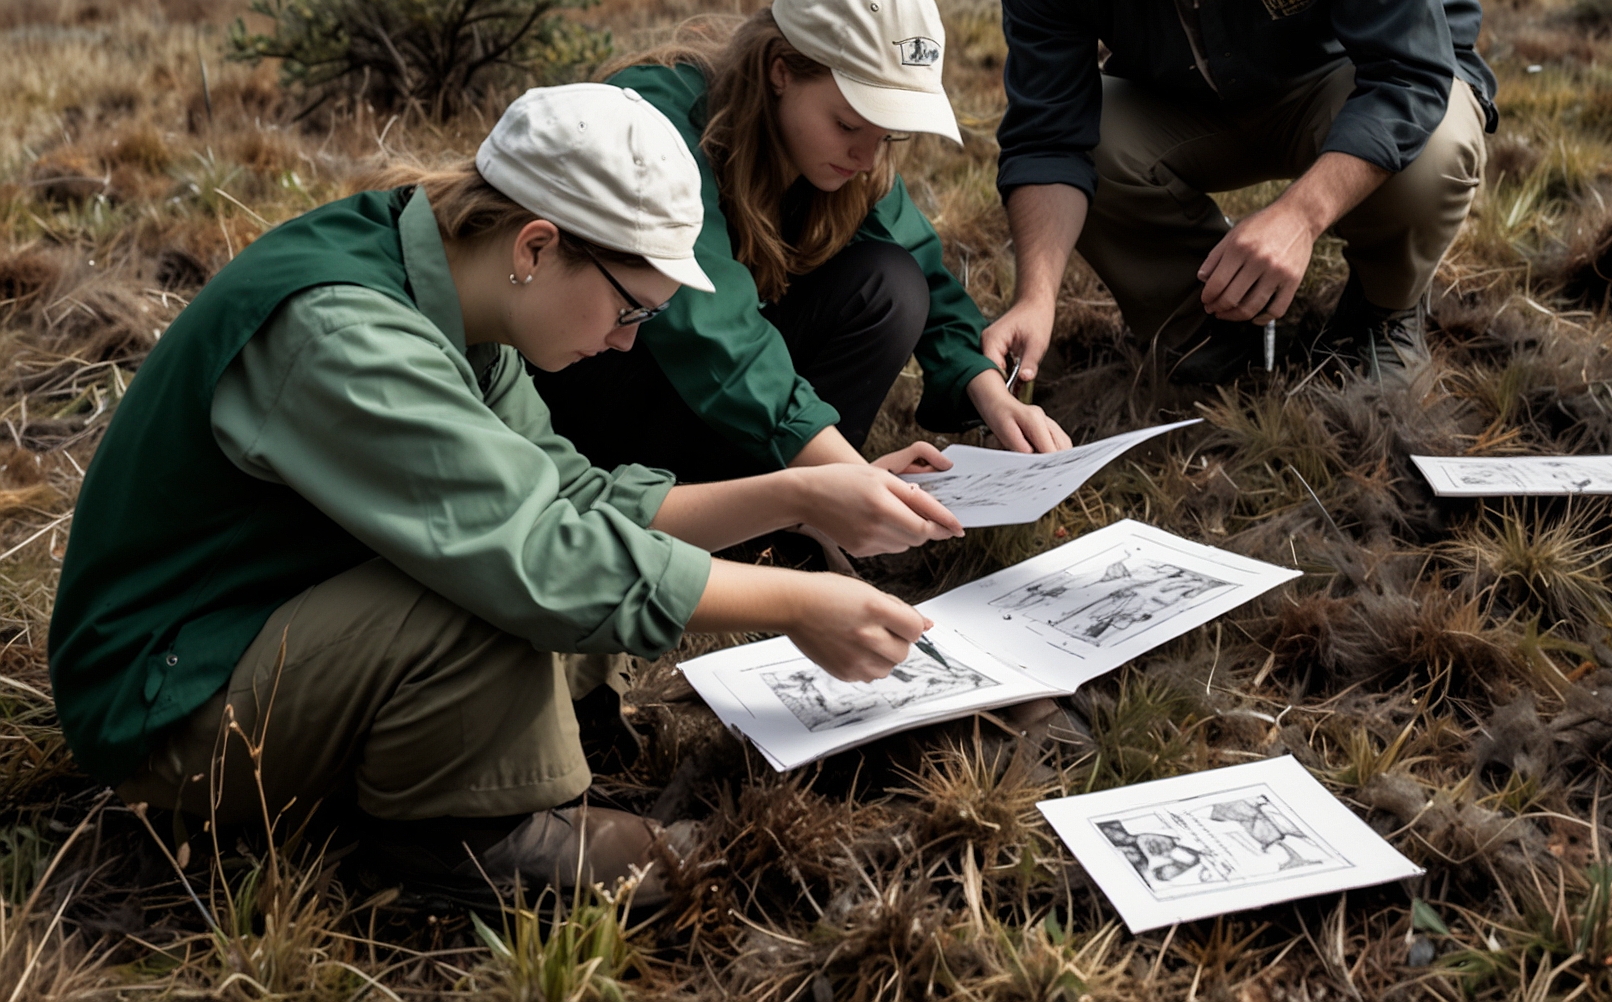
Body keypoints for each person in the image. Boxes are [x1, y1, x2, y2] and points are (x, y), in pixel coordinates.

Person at [47, 84, 965, 909]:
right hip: (170, 706)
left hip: (265, 628)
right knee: (491, 591)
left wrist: (800, 495)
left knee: (522, 560)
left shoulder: (456, 289)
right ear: (537, 244)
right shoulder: (344, 332)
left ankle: (471, 758)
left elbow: (573, 494)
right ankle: (468, 838)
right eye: (630, 308)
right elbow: (536, 557)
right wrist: (797, 602)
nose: (628, 342)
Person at [986, 0, 1498, 390]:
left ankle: (1382, 314)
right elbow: (1046, 134)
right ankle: (1207, 326)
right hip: (1180, 97)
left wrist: (1299, 217)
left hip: (1346, 83)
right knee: (1094, 141)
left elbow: (1408, 76)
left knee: (1438, 140)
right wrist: (1037, 296)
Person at [534, 0, 1070, 510]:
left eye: (886, 135)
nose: (866, 157)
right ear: (780, 71)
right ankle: (785, 509)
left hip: (716, 409)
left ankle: (788, 518)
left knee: (891, 283)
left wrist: (988, 391)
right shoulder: (661, 123)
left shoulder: (849, 159)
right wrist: (852, 478)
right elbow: (710, 331)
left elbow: (924, 273)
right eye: (847, 124)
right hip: (594, 394)